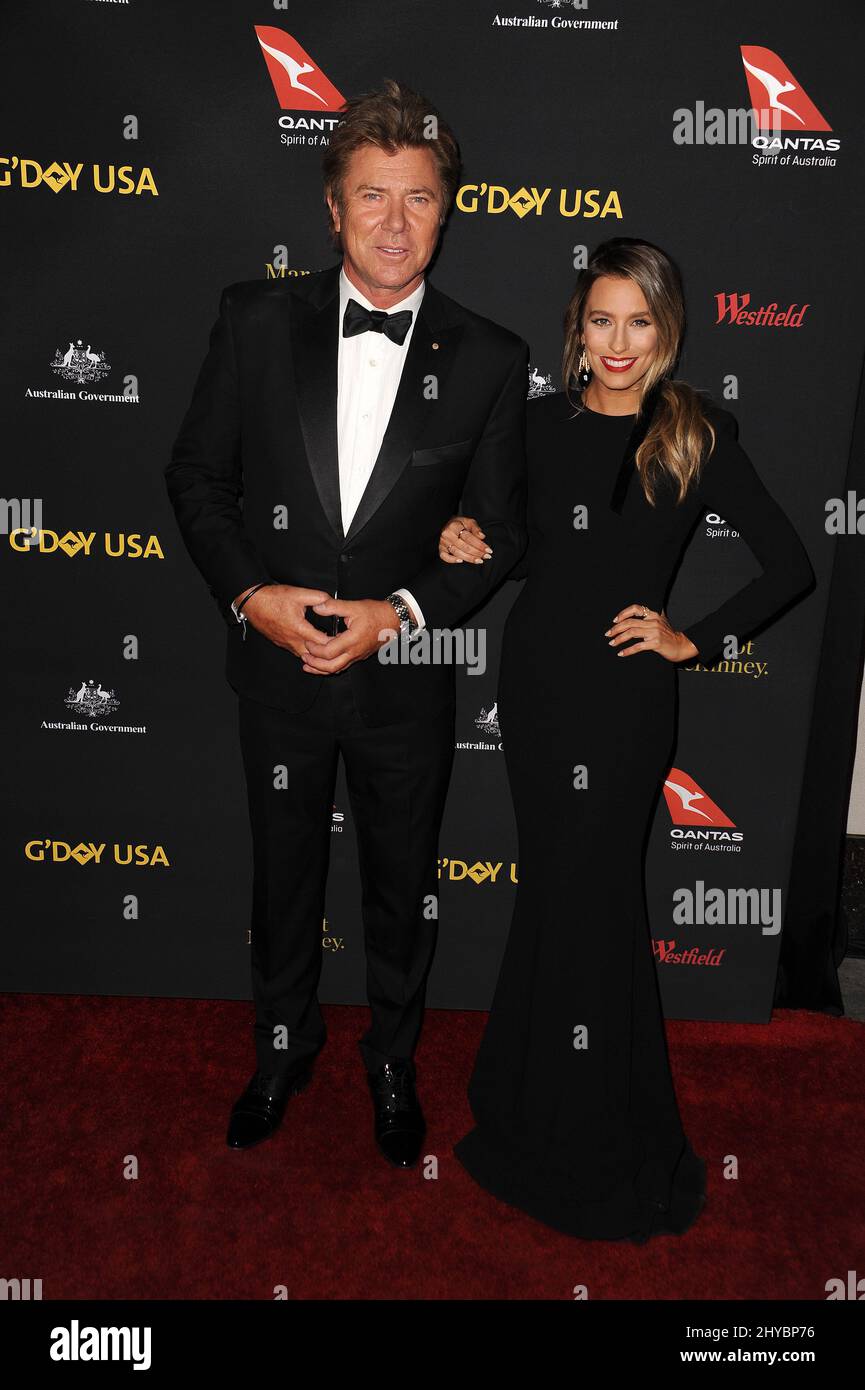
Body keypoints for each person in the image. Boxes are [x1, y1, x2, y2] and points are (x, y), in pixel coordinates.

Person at [164, 79, 528, 1168]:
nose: (393, 221)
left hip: (403, 680)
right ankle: (281, 1051)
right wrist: (250, 596)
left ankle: (392, 1062)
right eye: (372, 196)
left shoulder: (491, 358)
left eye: (418, 198)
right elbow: (194, 476)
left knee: (401, 886)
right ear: (331, 207)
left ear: (446, 209)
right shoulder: (252, 317)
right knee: (281, 879)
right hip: (275, 668)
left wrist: (402, 611)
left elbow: (501, 531)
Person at [438, 237, 815, 1241]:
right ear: (576, 326)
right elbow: (517, 555)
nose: (617, 341)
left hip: (624, 704)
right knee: (558, 894)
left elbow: (788, 565)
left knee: (596, 901)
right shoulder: (528, 426)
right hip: (535, 690)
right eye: (600, 319)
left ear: (665, 328)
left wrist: (695, 638)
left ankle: (597, 1129)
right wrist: (461, 537)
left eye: (637, 321)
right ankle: (530, 1103)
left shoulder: (692, 432)